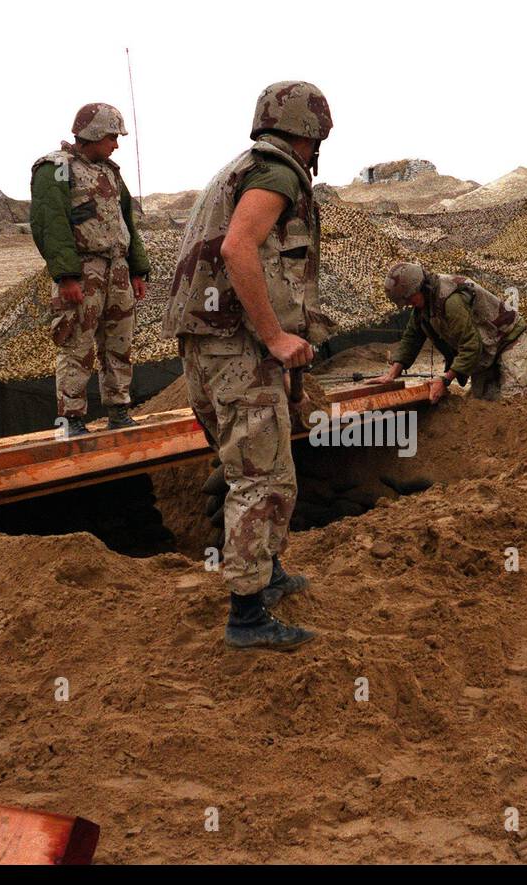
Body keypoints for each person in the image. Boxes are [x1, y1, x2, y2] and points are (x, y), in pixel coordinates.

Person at [166, 81, 335, 651]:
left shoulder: (239, 168)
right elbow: (241, 248)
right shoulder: (278, 172)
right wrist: (275, 336)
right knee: (261, 477)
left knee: (258, 461)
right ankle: (247, 615)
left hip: (208, 342)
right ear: (310, 131)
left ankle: (268, 572)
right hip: (235, 345)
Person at [30, 103, 151, 435]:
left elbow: (128, 222)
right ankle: (71, 419)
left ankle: (119, 410)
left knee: (119, 343)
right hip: (84, 271)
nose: (116, 144)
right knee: (76, 344)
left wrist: (138, 270)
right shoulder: (55, 168)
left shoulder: (111, 171)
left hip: (118, 271)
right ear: (95, 134)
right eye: (112, 136)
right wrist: (67, 276)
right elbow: (50, 224)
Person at [373, 262, 527, 402]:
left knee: (513, 399)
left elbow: (470, 346)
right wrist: (392, 374)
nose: (408, 305)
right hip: (486, 348)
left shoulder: (450, 300)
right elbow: (412, 337)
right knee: (482, 403)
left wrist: (445, 380)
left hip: (508, 338)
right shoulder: (424, 304)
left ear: (420, 287)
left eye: (409, 300)